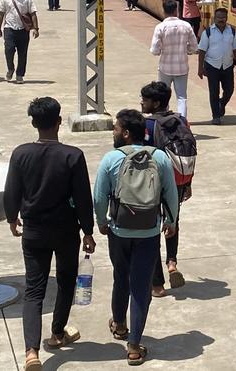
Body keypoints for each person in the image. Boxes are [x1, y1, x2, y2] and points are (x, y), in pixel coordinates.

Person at [3, 97, 96, 371]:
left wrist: (12, 217)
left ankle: (31, 352)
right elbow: (82, 198)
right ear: (58, 122)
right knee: (66, 282)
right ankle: (57, 334)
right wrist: (88, 232)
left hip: (34, 232)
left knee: (34, 290)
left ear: (34, 123)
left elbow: (12, 191)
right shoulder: (73, 155)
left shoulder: (20, 154)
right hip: (66, 232)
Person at [94, 109, 179, 367]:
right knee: (141, 288)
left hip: (119, 231)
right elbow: (170, 193)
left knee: (121, 277)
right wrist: (170, 221)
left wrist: (102, 223)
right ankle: (133, 347)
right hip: (149, 232)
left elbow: (99, 197)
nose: (114, 133)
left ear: (126, 133)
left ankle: (119, 325)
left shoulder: (111, 159)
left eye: (116, 129)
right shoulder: (160, 158)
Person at [140, 81, 196, 296]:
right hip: (179, 181)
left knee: (152, 229)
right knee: (173, 222)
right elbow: (188, 153)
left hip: (154, 185)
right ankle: (172, 262)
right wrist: (188, 182)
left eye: (144, 100)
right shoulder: (181, 121)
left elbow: (143, 156)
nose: (142, 103)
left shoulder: (149, 125)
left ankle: (157, 285)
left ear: (155, 103)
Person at [150, 0, 198, 119]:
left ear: (164, 11)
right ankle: (182, 122)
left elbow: (154, 50)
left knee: (163, 96)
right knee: (181, 97)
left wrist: (162, 50)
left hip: (165, 68)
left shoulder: (160, 27)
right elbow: (194, 47)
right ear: (176, 10)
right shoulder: (186, 26)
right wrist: (186, 50)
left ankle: (163, 121)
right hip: (182, 67)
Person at [198, 7, 236, 126]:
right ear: (214, 18)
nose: (221, 20)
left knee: (229, 89)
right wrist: (200, 68)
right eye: (219, 18)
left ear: (227, 18)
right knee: (214, 92)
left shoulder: (232, 31)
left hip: (227, 65)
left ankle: (222, 103)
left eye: (223, 17)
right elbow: (202, 51)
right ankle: (216, 116)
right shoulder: (208, 32)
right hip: (212, 65)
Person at [0, 0, 40, 84]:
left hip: (23, 30)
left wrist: (36, 28)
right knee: (9, 51)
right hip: (9, 29)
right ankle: (10, 69)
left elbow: (33, 13)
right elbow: (1, 14)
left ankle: (20, 75)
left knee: (22, 54)